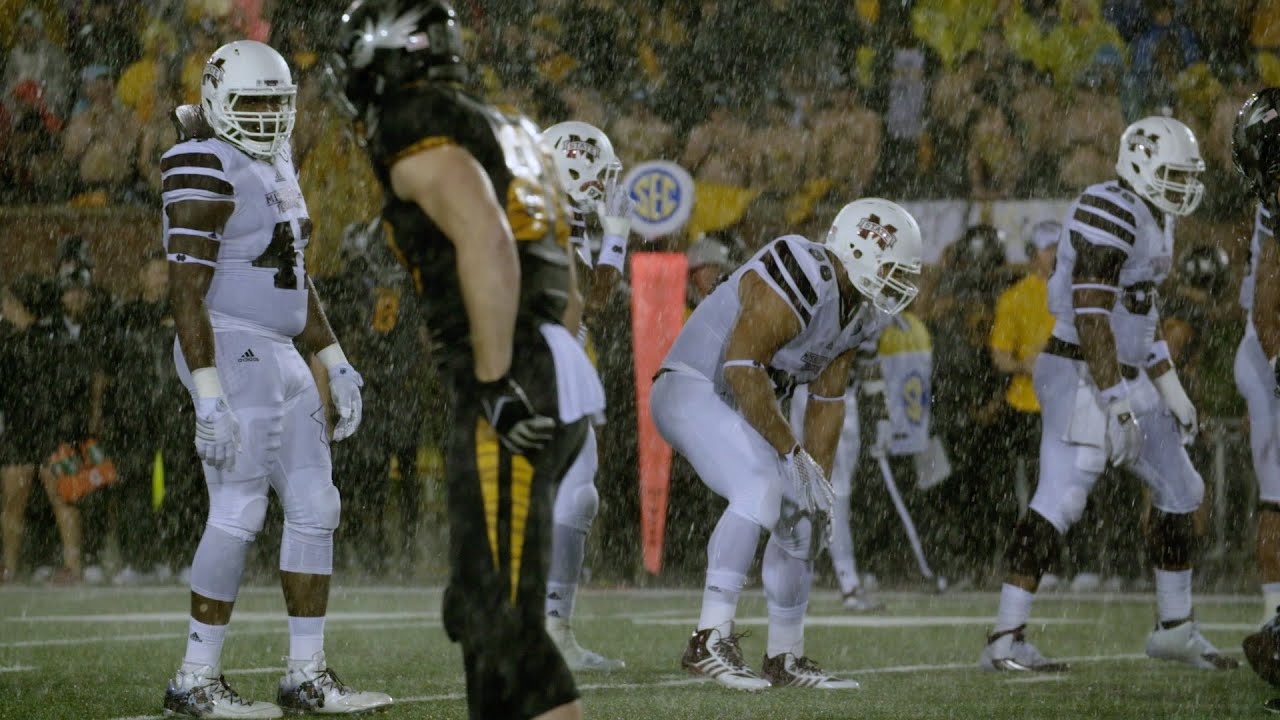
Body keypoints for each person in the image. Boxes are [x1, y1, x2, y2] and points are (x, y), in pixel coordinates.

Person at [328, 3, 604, 719]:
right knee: (482, 608)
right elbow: (566, 281)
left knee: (501, 621)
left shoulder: (415, 119)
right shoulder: (506, 123)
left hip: (508, 375)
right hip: (550, 362)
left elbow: (487, 240)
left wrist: (495, 380)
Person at [160, 39, 392, 717]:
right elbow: (184, 291)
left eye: (275, 102)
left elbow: (289, 273)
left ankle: (306, 674)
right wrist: (207, 392)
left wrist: (334, 357)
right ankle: (195, 679)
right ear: (217, 102)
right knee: (238, 508)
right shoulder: (201, 161)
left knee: (318, 507)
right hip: (229, 346)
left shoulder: (276, 160)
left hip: (281, 350)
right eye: (251, 101)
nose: (265, 115)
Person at [980, 115, 1237, 673]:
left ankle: (1173, 628)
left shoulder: (1155, 215)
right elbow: (1093, 316)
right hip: (1080, 370)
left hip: (1122, 370)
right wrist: (1117, 400)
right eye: (1171, 173)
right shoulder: (1108, 206)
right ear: (1139, 165)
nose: (1181, 185)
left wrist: (1169, 386)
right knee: (1062, 498)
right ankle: (1004, 639)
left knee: (1183, 488)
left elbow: (1139, 314)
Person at [652, 197, 923, 690]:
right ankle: (709, 639)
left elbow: (828, 398)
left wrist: (814, 476)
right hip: (693, 386)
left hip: (740, 407)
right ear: (860, 250)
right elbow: (740, 365)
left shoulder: (858, 311)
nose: (895, 283)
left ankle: (785, 657)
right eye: (891, 269)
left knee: (804, 514)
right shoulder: (803, 265)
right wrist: (790, 452)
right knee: (759, 485)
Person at [541, 119, 631, 671]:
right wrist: (616, 237)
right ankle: (539, 628)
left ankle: (549, 628)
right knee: (564, 495)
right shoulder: (542, 214)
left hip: (545, 358)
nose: (604, 186)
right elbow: (591, 301)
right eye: (598, 174)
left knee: (572, 496)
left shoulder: (555, 213)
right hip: (537, 360)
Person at [319, 219, 430, 580]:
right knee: (400, 474)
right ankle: (401, 551)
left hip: (378, 386)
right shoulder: (407, 282)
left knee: (373, 476)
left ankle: (379, 552)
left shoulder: (359, 283)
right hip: (401, 386)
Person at [1231, 88, 1280, 629]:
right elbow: (1268, 312)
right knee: (1277, 498)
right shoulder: (1273, 204)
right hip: (1268, 357)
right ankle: (1274, 621)